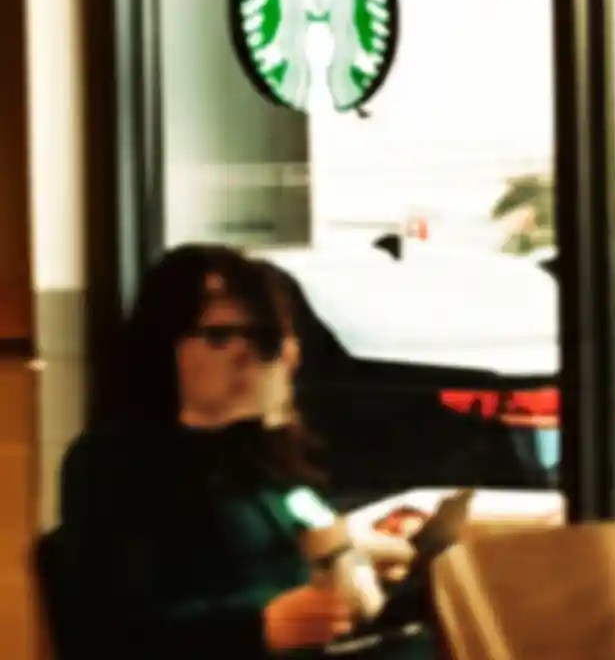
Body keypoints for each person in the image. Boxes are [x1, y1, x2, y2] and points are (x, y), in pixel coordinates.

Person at [56, 245, 436, 659]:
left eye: (264, 339)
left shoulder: (260, 453)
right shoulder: (113, 462)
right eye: (219, 336)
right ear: (163, 345)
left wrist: (357, 562)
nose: (246, 356)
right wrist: (257, 628)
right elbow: (108, 635)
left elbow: (312, 535)